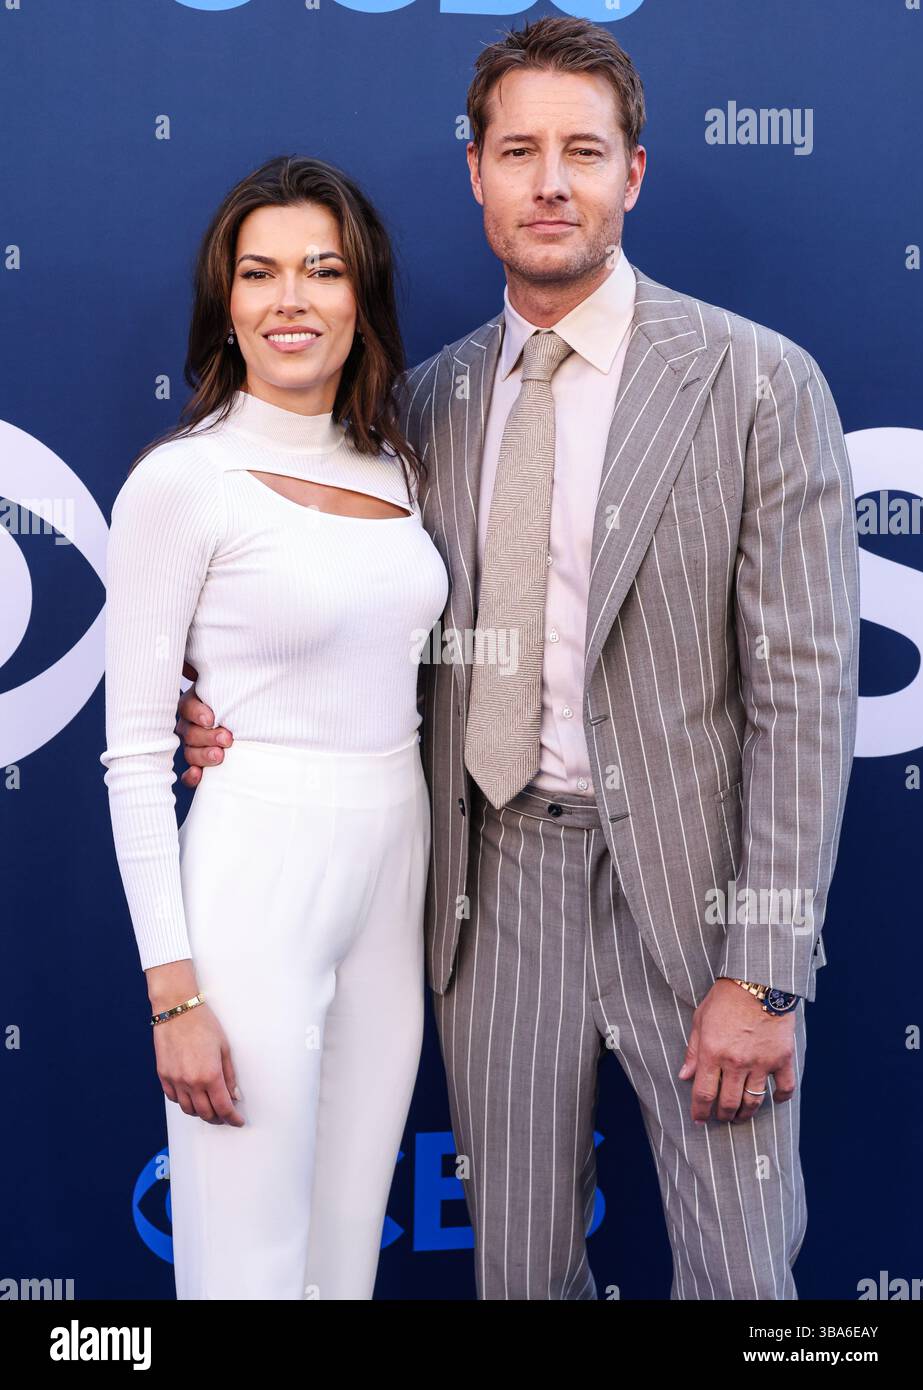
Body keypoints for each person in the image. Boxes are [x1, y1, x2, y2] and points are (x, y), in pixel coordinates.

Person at [177, 17, 860, 1299]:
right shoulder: (420, 405)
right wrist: (220, 708)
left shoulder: (758, 383)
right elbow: (353, 614)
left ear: (632, 176)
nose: (551, 181)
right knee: (518, 1272)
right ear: (477, 177)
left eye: (582, 151)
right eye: (519, 150)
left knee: (742, 1276)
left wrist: (764, 972)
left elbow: (807, 702)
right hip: (494, 893)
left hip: (701, 904)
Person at [99, 154, 449, 1300]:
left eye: (322, 270)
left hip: (393, 871)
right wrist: (177, 995)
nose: (289, 298)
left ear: (362, 298)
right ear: (226, 303)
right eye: (258, 274)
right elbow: (138, 752)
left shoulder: (399, 465)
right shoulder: (182, 481)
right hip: (255, 877)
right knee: (246, 1268)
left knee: (344, 1256)